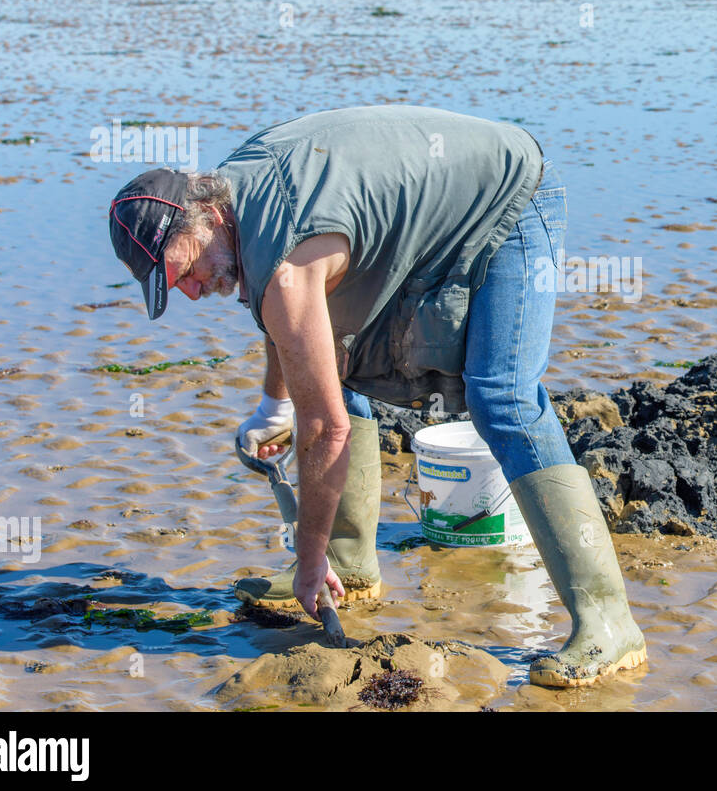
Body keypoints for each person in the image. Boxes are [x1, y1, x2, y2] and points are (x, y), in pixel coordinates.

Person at [105, 105, 646, 688]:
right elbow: (288, 328)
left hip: (506, 197)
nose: (189, 293)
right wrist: (273, 406)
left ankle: (609, 623)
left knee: (502, 399)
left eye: (183, 271)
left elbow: (324, 427)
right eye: (172, 284)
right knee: (335, 363)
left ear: (207, 214)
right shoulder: (233, 205)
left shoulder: (282, 256)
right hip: (418, 220)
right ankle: (350, 567)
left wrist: (304, 556)